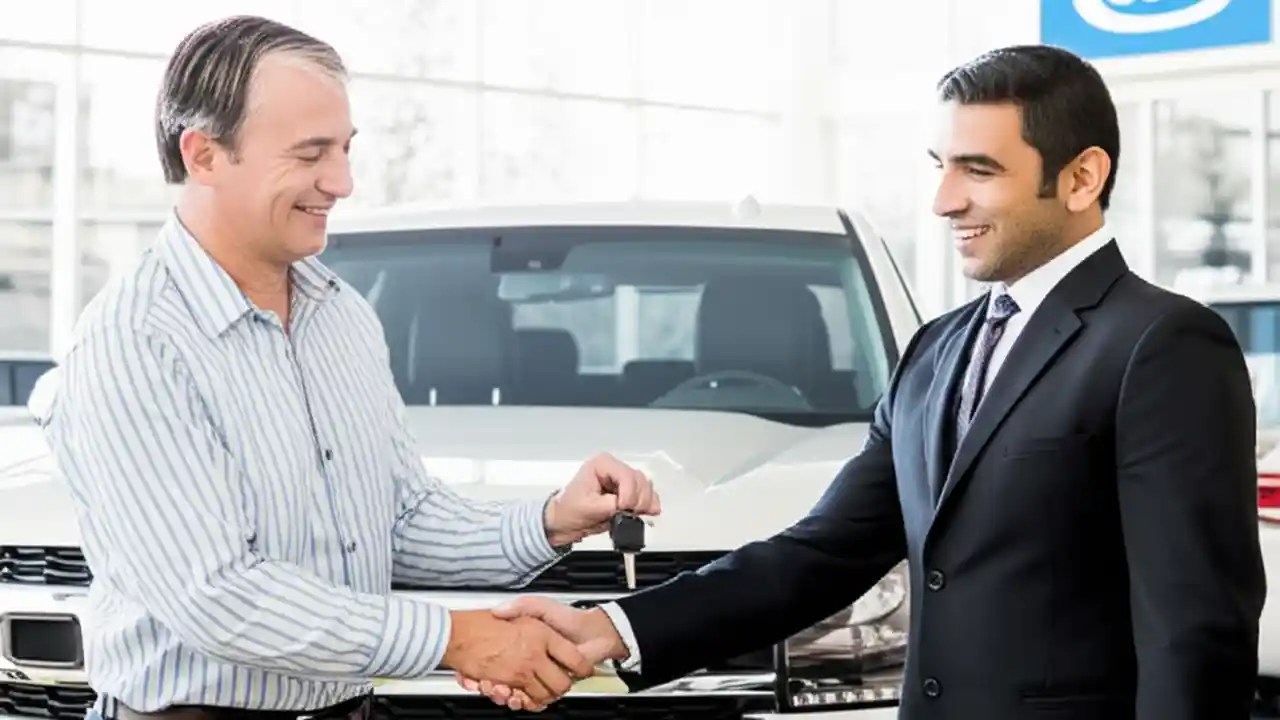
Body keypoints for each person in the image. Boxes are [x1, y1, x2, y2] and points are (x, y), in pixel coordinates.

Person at [461, 44, 1268, 719]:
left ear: (1083, 178)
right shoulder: (935, 351)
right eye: (941, 166)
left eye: (978, 171)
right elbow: (820, 554)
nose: (945, 201)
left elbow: (1193, 631)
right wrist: (611, 626)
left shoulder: (1162, 345)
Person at [29, 15, 659, 720]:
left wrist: (549, 521)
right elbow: (220, 597)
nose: (343, 181)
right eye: (310, 154)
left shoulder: (343, 316)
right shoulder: (133, 343)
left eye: (346, 149)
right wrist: (456, 640)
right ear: (204, 155)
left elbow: (398, 521)